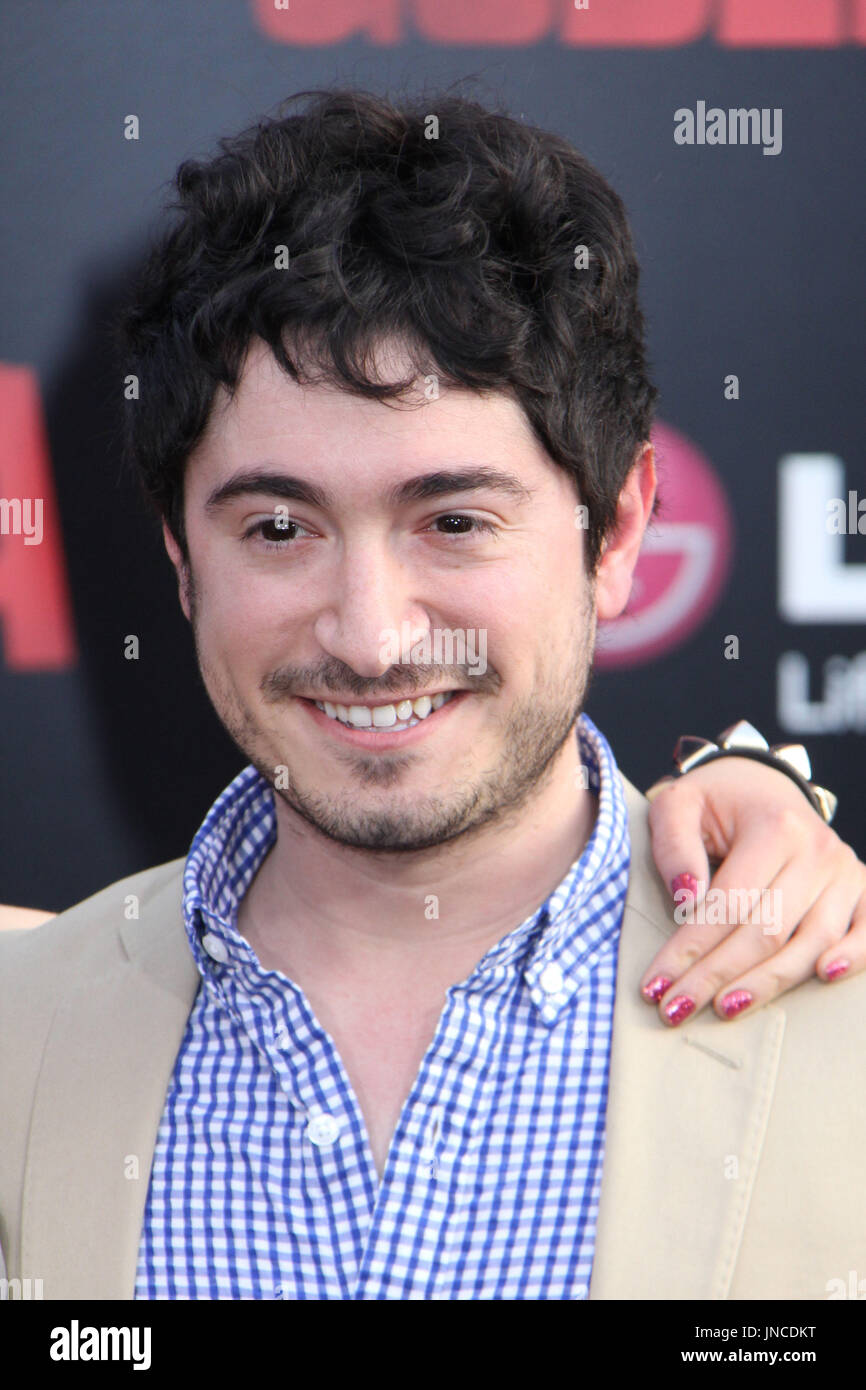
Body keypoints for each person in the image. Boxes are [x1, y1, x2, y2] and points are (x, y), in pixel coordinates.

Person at [2, 89, 864, 1302]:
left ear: (614, 530)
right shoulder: (18, 1038)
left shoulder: (838, 1021)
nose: (370, 635)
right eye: (279, 525)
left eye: (453, 521)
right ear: (181, 558)